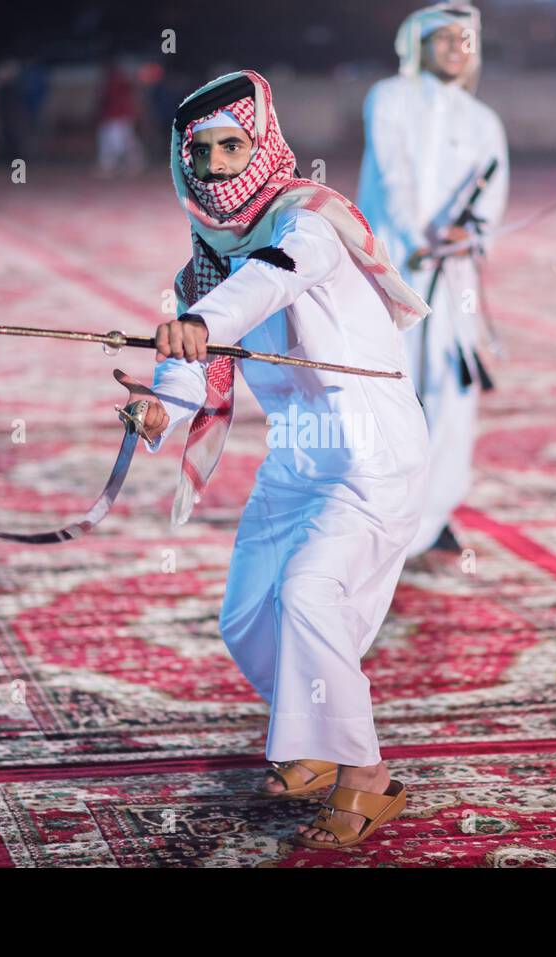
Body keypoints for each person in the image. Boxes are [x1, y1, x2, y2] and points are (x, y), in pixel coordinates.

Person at [112, 69, 430, 848]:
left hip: (369, 451)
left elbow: (270, 283)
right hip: (297, 460)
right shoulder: (206, 268)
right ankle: (320, 737)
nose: (218, 166)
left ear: (263, 145)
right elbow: (193, 362)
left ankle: (368, 777)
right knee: (248, 615)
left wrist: (199, 319)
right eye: (203, 153)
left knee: (311, 592)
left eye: (233, 145)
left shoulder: (308, 221)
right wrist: (160, 406)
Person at [357, 2, 509, 559]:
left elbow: (491, 202)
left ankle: (434, 510)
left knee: (449, 390)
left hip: (454, 278)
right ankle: (382, 513)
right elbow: (394, 172)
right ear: (417, 44)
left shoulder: (484, 121)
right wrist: (420, 235)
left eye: (463, 40)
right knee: (385, 386)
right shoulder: (389, 97)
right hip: (391, 267)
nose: (454, 48)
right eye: (443, 38)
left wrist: (468, 238)